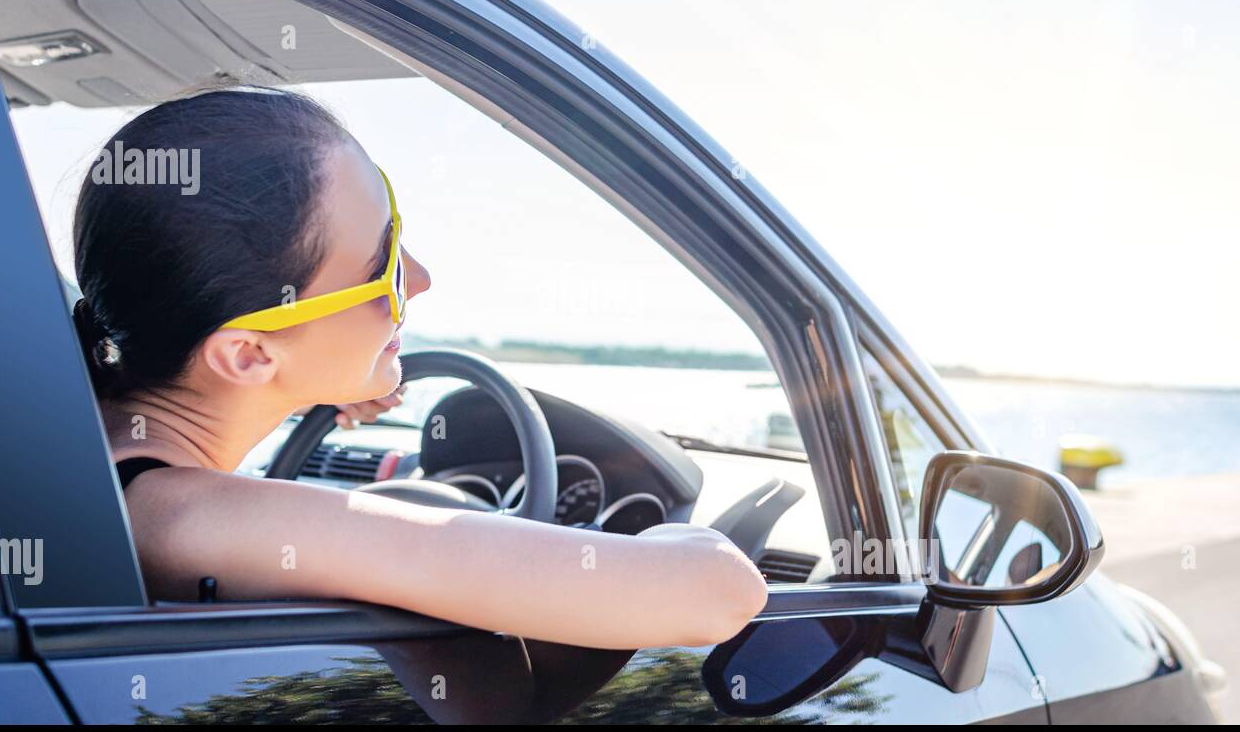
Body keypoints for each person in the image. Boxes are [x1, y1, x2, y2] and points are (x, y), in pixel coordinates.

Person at [70, 87, 767, 651]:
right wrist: (678, 533)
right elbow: (715, 592)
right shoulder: (189, 521)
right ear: (248, 353)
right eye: (383, 268)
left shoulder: (82, 436)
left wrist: (304, 389)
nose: (422, 278)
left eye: (397, 228)